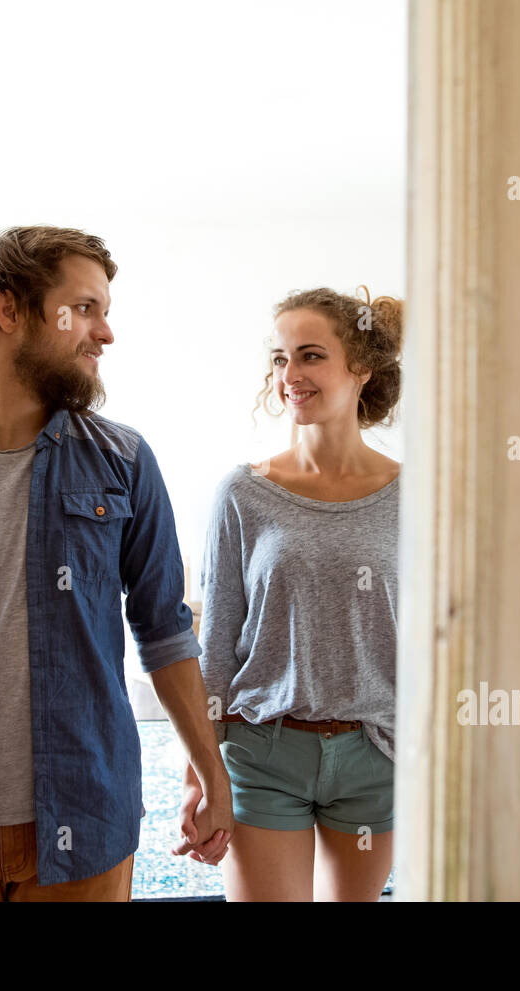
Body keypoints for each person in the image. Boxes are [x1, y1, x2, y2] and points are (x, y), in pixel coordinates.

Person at [0, 225, 233, 901]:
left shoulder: (124, 460)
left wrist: (212, 771)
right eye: (85, 308)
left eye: (106, 312)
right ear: (10, 311)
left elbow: (166, 631)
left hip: (83, 818)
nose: (106, 333)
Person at [180, 286, 402, 901]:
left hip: (375, 757)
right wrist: (201, 772)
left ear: (361, 367)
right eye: (280, 359)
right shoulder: (244, 493)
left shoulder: (416, 496)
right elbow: (217, 641)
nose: (289, 376)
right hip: (264, 750)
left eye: (309, 355)